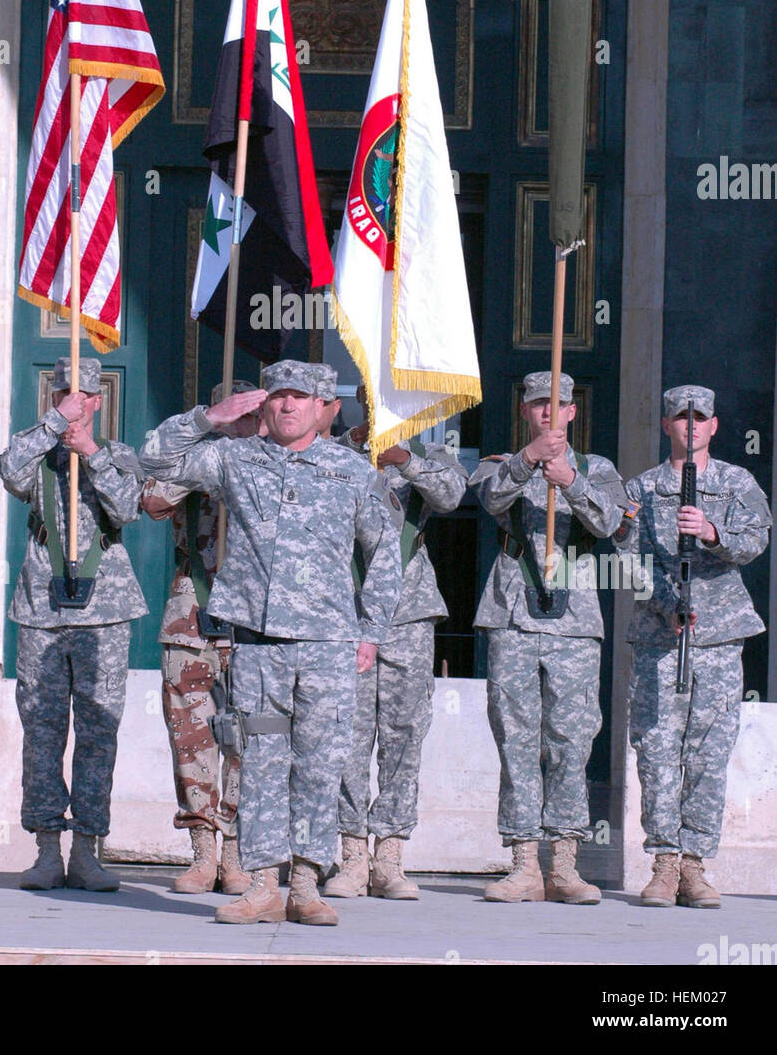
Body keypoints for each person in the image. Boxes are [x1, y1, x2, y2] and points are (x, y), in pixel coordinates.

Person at [138, 360, 401, 925]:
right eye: (277, 397)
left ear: (321, 406)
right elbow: (154, 458)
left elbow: (383, 553)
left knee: (319, 763)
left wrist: (372, 632)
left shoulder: (351, 471)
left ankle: (305, 885)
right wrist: (210, 417)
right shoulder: (234, 459)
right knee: (258, 762)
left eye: (299, 398)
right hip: (257, 645)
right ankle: (261, 885)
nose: (286, 407)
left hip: (329, 642)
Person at [469, 371, 625, 904]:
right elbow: (490, 501)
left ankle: (564, 862)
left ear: (571, 413)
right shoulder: (503, 465)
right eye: (536, 405)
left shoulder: (597, 469)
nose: (546, 413)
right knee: (516, 738)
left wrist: (570, 480)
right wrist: (528, 460)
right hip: (513, 613)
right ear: (524, 412)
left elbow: (610, 525)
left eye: (556, 405)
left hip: (574, 618)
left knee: (571, 740)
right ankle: (521, 863)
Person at [614, 385, 770, 907]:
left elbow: (755, 542)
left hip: (721, 637)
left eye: (700, 417)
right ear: (666, 426)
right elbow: (628, 562)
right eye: (681, 417)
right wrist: (666, 603)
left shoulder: (736, 482)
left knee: (708, 753)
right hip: (663, 637)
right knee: (657, 749)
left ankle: (695, 865)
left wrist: (711, 529)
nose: (691, 425)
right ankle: (663, 862)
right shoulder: (642, 489)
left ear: (714, 425)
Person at [0, 356, 146, 892]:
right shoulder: (35, 452)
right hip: (42, 608)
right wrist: (56, 428)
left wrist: (93, 456)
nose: (73, 401)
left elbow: (128, 509)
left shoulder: (119, 456)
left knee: (98, 732)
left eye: (82, 393)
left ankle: (87, 848)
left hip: (104, 611)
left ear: (98, 400)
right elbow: (7, 469)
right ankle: (45, 849)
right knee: (41, 731)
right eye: (63, 393)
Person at [326, 410, 466, 900]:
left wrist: (403, 460)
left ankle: (390, 853)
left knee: (405, 732)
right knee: (346, 733)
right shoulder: (329, 451)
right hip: (345, 607)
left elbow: (451, 496)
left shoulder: (429, 456)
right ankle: (350, 853)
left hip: (408, 610)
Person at [140, 379, 261, 896]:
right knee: (192, 738)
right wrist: (206, 432)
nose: (242, 425)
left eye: (250, 415)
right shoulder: (196, 463)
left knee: (249, 741)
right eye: (233, 415)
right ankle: (202, 852)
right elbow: (152, 497)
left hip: (257, 622)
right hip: (193, 614)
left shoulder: (272, 464)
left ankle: (236, 853)